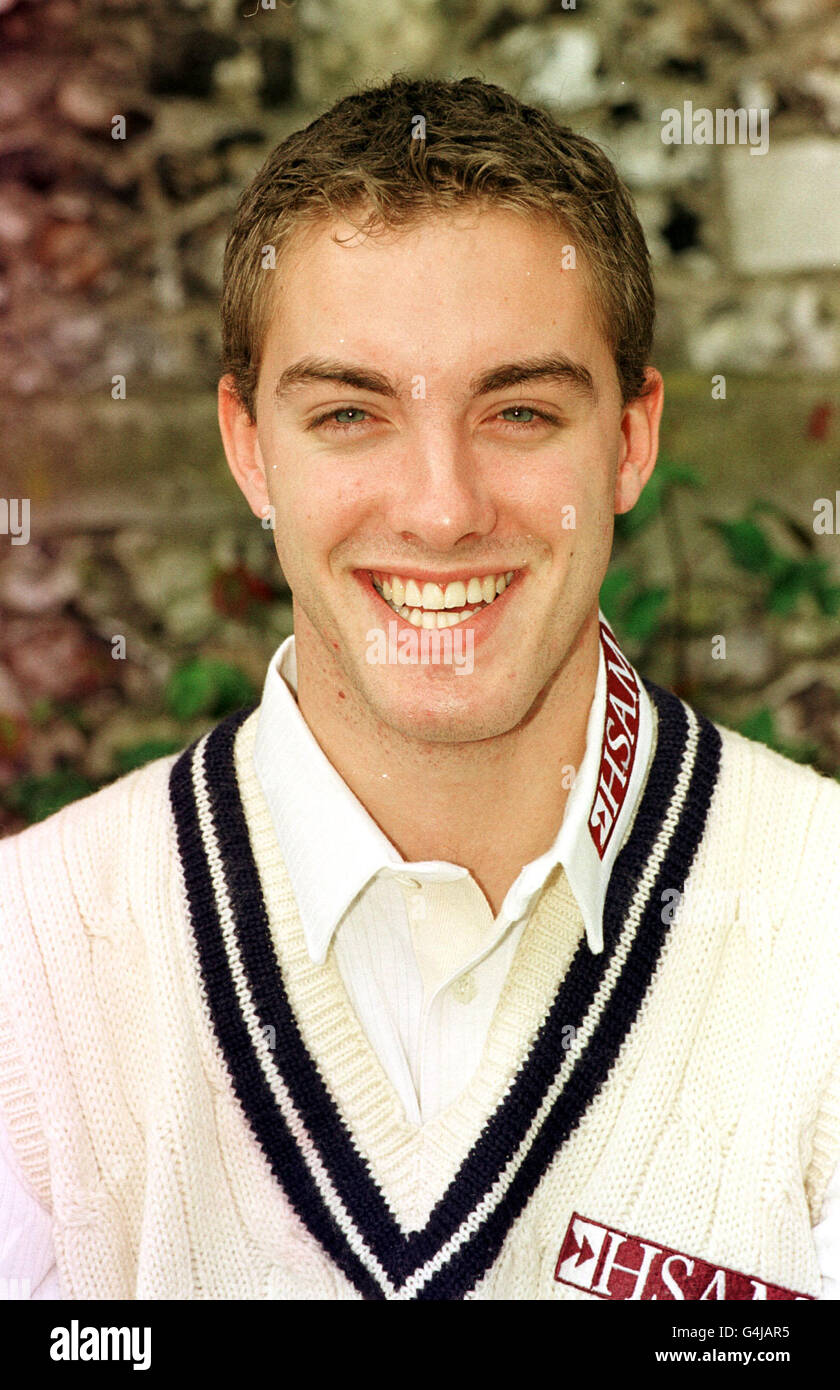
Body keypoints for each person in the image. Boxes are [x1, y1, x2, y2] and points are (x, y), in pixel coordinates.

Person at [1, 74, 839, 1302]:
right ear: (248, 448)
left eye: (519, 409)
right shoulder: (33, 970)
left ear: (632, 438)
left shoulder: (821, 925)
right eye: (349, 412)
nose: (442, 509)